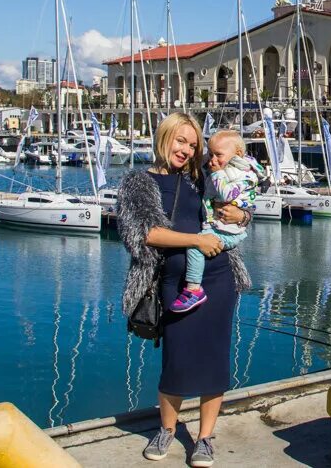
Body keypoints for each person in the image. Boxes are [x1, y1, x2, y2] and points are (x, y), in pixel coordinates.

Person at [117, 113, 251, 467]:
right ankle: (166, 428)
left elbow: (238, 202)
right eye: (181, 141)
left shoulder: (201, 178)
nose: (187, 150)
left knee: (215, 358)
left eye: (193, 145)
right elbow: (144, 234)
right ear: (164, 138)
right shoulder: (137, 182)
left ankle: (205, 438)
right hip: (175, 283)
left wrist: (244, 217)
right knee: (175, 359)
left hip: (220, 279)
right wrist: (196, 240)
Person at [170, 130, 264, 313]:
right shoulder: (221, 167)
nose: (212, 159)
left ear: (237, 154)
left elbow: (228, 195)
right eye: (210, 153)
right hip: (220, 228)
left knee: (196, 246)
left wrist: (217, 173)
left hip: (227, 232)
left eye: (218, 154)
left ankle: (193, 289)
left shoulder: (242, 174)